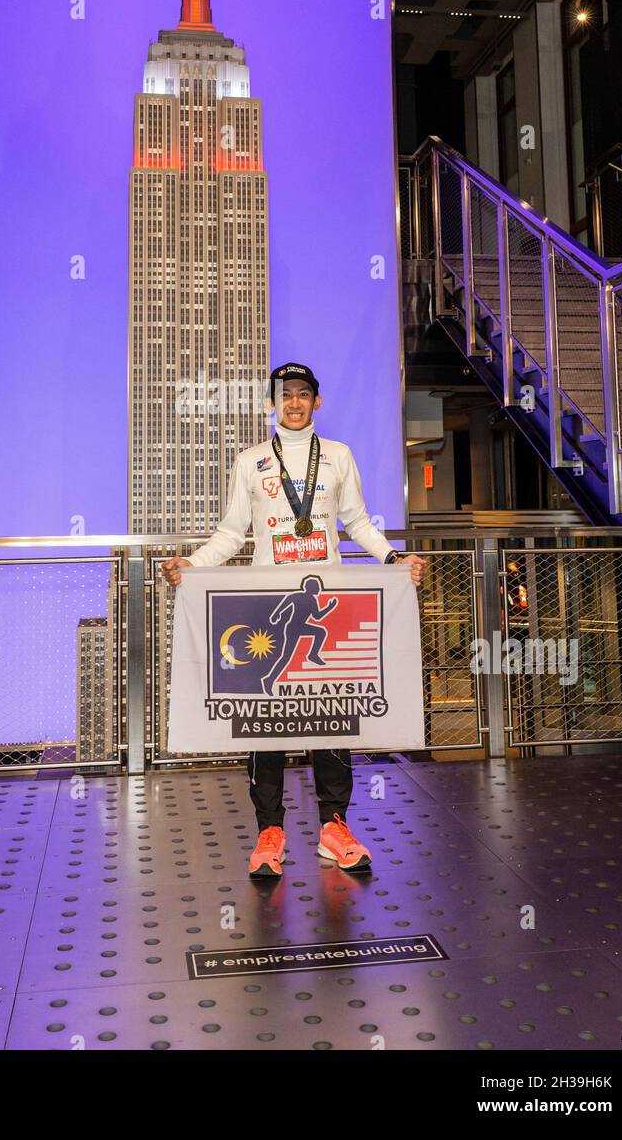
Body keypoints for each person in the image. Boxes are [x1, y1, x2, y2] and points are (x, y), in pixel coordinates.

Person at [163, 362, 427, 878]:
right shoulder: (252, 461)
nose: (295, 402)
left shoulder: (338, 457)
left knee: (331, 714)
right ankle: (270, 831)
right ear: (271, 403)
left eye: (304, 394)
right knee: (266, 724)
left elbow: (356, 521)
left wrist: (392, 559)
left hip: (328, 596)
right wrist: (191, 564)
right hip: (267, 604)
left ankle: (335, 827)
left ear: (317, 402)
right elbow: (232, 533)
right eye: (286, 395)